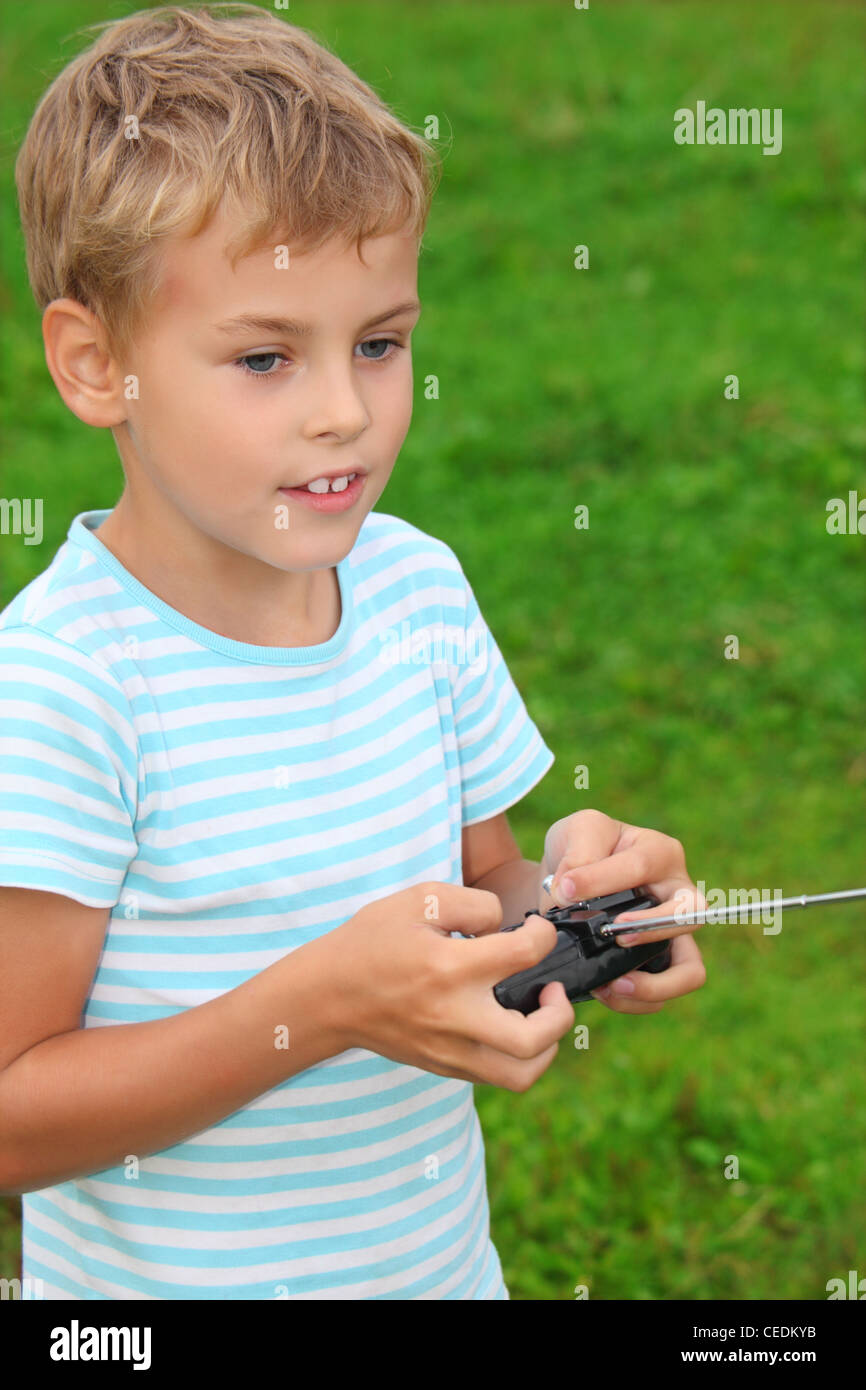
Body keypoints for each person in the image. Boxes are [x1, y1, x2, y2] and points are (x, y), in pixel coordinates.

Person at [0, 2, 705, 1300]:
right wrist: (316, 1008)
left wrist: (579, 908)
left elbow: (481, 883)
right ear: (98, 365)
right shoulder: (64, 687)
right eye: (265, 356)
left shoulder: (415, 592)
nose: (344, 412)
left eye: (379, 342)